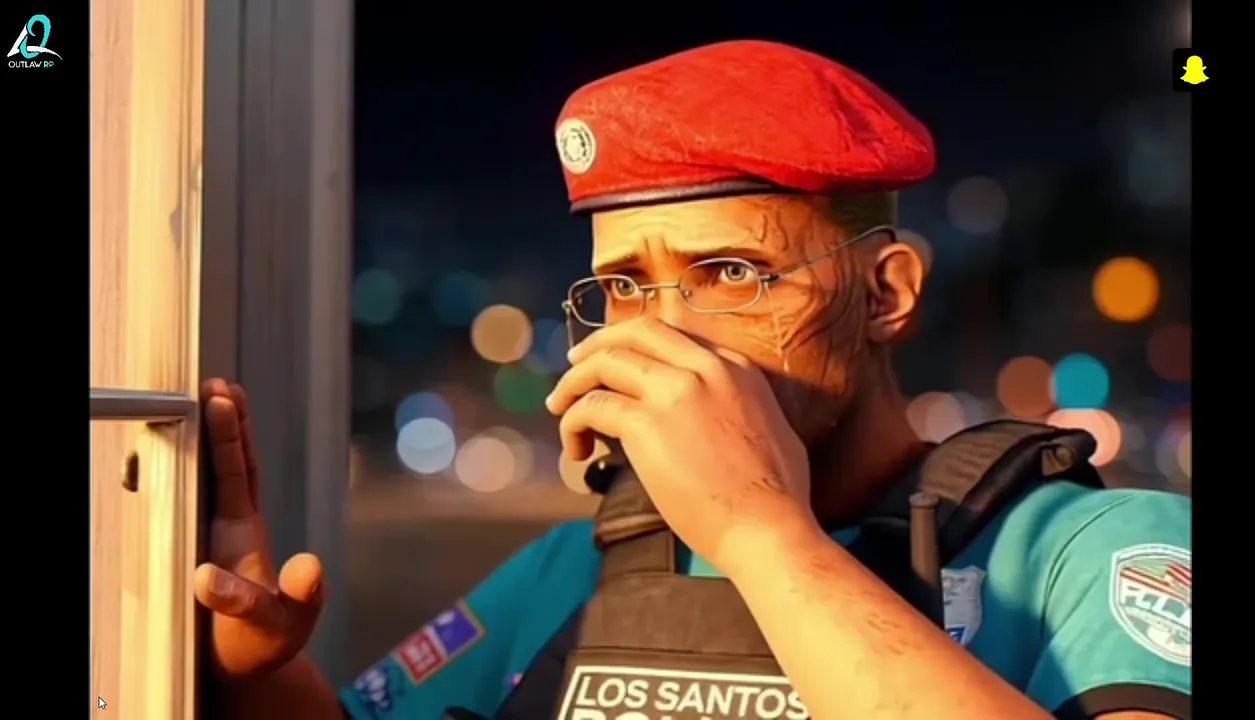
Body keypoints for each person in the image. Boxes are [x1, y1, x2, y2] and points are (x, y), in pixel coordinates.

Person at [196, 40, 1191, 720]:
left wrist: (762, 533)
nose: (665, 331)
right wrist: (261, 671)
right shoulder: (584, 563)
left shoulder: (1093, 548)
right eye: (625, 288)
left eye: (730, 273)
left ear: (885, 293)